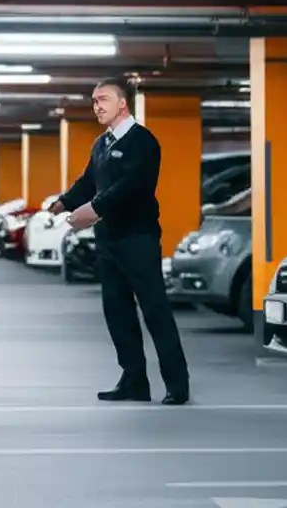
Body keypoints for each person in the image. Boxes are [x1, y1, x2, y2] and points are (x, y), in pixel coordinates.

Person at [50, 77, 190, 405]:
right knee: (117, 312)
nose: (96, 106)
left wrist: (94, 209)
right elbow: (89, 181)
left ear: (122, 103)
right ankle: (134, 381)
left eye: (103, 99)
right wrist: (64, 202)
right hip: (109, 240)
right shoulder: (102, 144)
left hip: (138, 238)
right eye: (94, 101)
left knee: (155, 311)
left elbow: (131, 186)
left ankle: (177, 385)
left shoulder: (143, 141)